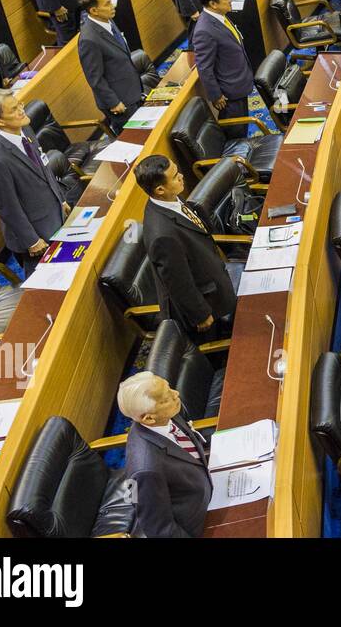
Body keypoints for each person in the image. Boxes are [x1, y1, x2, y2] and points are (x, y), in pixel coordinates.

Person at [135, 154, 235, 342]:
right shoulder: (162, 235)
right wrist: (201, 315)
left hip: (212, 280)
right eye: (174, 176)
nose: (181, 176)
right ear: (159, 189)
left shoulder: (169, 200)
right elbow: (178, 282)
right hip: (204, 306)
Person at [0, 89, 69, 275]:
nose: (22, 110)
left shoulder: (25, 129)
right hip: (35, 235)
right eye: (13, 109)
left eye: (20, 104)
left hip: (54, 215)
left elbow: (44, 166)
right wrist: (31, 241)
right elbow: (7, 207)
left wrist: (61, 199)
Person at [117, 371, 213, 538]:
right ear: (148, 419)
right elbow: (159, 530)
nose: (176, 394)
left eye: (170, 389)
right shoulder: (145, 470)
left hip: (209, 486)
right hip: (199, 523)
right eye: (167, 398)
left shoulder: (164, 414)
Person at [76, 0, 144, 132]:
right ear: (94, 11)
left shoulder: (108, 20)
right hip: (119, 100)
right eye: (107, 4)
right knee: (134, 138)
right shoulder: (89, 40)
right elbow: (94, 78)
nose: (112, 6)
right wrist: (113, 102)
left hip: (131, 89)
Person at [192, 0, 253, 139]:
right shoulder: (204, 30)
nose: (231, 0)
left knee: (243, 125)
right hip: (228, 93)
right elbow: (204, 67)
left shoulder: (220, 16)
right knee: (236, 132)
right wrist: (216, 95)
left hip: (239, 81)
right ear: (213, 4)